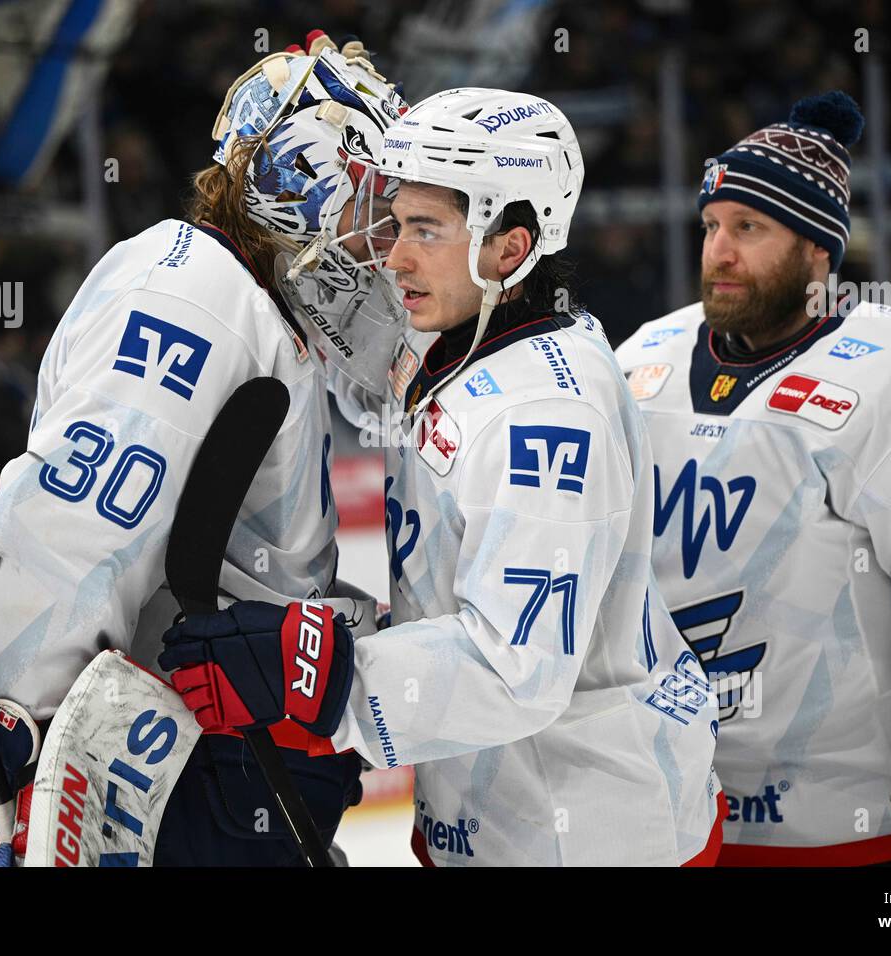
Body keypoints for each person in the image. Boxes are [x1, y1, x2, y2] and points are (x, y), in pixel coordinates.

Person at [160, 88, 724, 866]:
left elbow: (514, 667)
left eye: (426, 231)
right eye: (396, 223)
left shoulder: (546, 416)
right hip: (492, 808)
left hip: (586, 832)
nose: (394, 256)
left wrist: (310, 669)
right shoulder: (470, 342)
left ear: (509, 248)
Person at [0, 32, 407, 866]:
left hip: (235, 770)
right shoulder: (194, 297)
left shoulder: (242, 302)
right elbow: (71, 529)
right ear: (299, 186)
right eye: (369, 208)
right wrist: (45, 759)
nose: (380, 244)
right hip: (188, 774)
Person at [615, 91, 891, 866]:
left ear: (819, 250)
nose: (718, 251)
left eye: (749, 229)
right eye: (712, 226)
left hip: (855, 828)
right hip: (675, 820)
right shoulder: (641, 360)